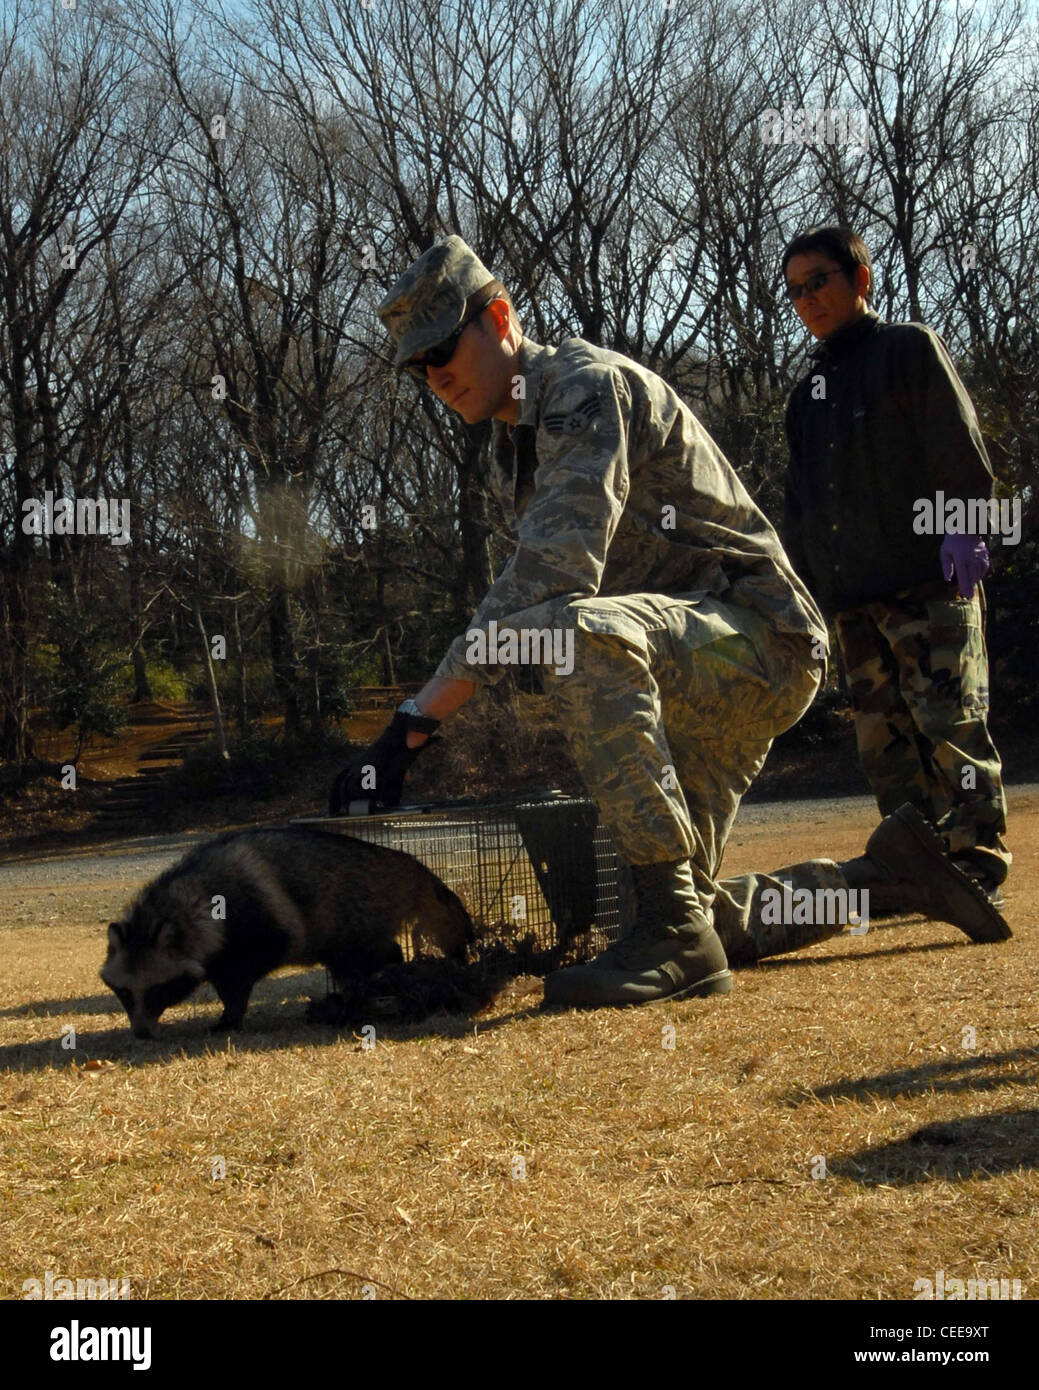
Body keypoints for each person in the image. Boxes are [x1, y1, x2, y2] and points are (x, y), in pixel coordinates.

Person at [328, 235, 1010, 1009]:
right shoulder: (510, 446)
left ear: (500, 316)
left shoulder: (584, 389)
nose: (434, 374)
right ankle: (890, 877)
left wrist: (411, 727)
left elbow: (552, 578)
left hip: (756, 640)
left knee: (575, 633)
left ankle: (676, 933)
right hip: (685, 656)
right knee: (682, 908)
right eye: (417, 366)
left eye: (444, 347)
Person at [781, 226, 1011, 906]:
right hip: (853, 598)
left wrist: (965, 524)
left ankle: (978, 859)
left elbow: (953, 439)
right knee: (884, 744)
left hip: (926, 579)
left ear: (860, 278)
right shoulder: (807, 394)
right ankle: (915, 867)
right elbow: (800, 503)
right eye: (795, 290)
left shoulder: (906, 348)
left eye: (819, 279)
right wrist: (803, 587)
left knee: (951, 729)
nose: (808, 298)